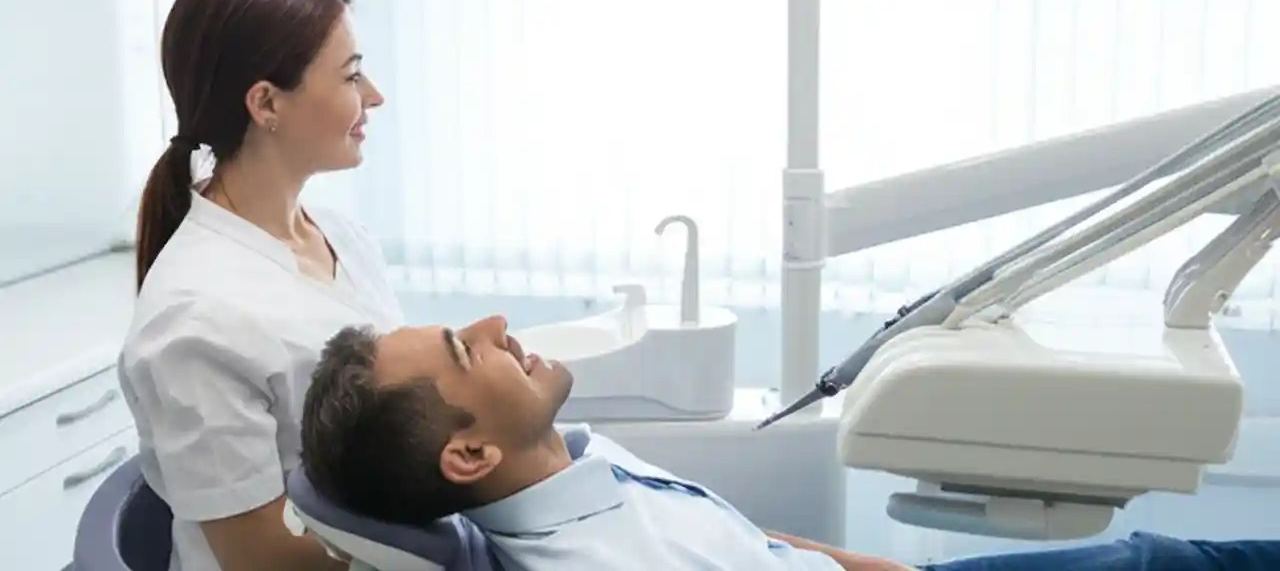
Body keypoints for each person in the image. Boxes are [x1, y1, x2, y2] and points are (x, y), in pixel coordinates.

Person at [301, 317, 1280, 571]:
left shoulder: (587, 462)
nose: (502, 323)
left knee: (1160, 558)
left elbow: (758, 548)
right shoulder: (592, 560)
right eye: (468, 350)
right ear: (466, 457)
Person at [118, 0, 404, 571]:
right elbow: (261, 557)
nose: (374, 96)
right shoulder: (194, 321)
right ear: (267, 103)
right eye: (352, 76)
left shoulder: (342, 239)